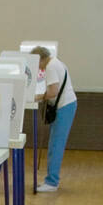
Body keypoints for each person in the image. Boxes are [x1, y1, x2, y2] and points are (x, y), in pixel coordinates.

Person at [32, 46, 77, 192]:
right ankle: (52, 180)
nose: (37, 67)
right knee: (55, 144)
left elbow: (53, 91)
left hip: (64, 107)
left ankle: (52, 182)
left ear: (40, 59)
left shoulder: (50, 67)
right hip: (67, 105)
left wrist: (38, 96)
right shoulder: (57, 62)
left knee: (56, 145)